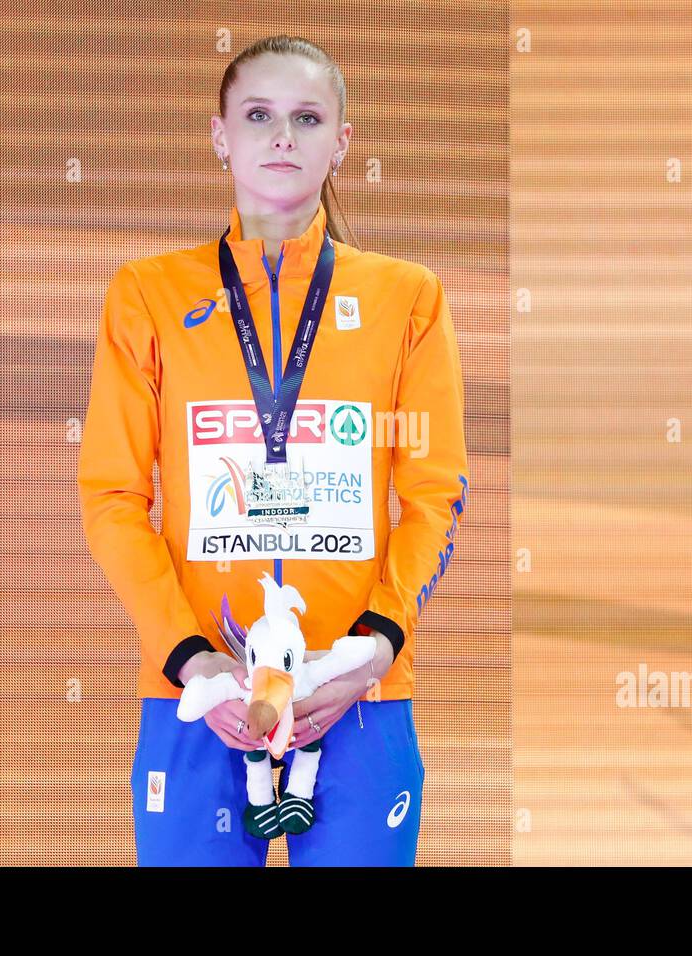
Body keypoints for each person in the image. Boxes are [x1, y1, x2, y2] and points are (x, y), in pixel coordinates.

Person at [77, 34, 469, 866]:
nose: (282, 136)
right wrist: (192, 662)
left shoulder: (407, 299)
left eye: (306, 117)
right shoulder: (149, 295)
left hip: (359, 699)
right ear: (220, 134)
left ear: (341, 143)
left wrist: (375, 646)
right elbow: (112, 496)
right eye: (258, 115)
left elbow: (433, 493)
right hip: (200, 701)